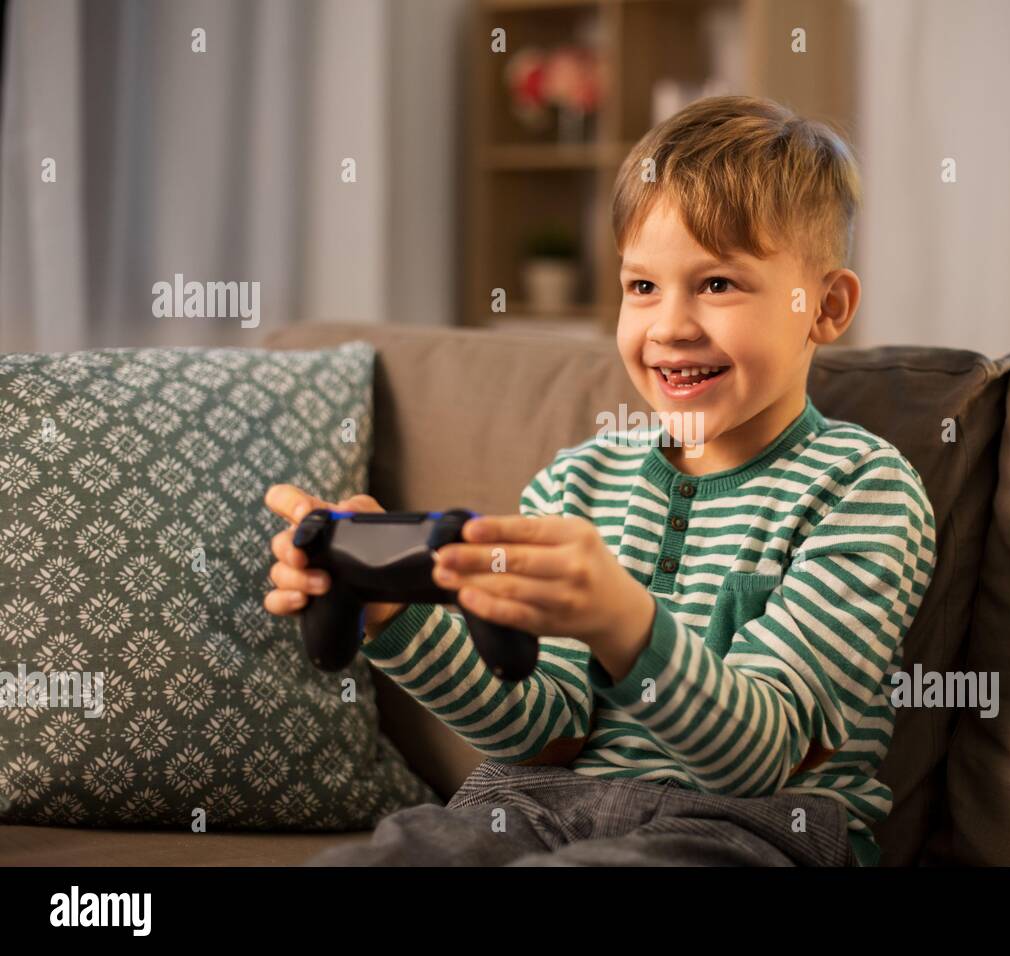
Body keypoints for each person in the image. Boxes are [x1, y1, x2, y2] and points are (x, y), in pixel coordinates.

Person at [264, 95, 936, 867]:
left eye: (717, 284)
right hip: (535, 804)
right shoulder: (575, 483)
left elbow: (759, 759)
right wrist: (393, 618)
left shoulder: (863, 489)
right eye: (642, 287)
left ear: (826, 306)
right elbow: (540, 733)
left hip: (747, 826)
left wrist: (623, 621)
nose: (670, 325)